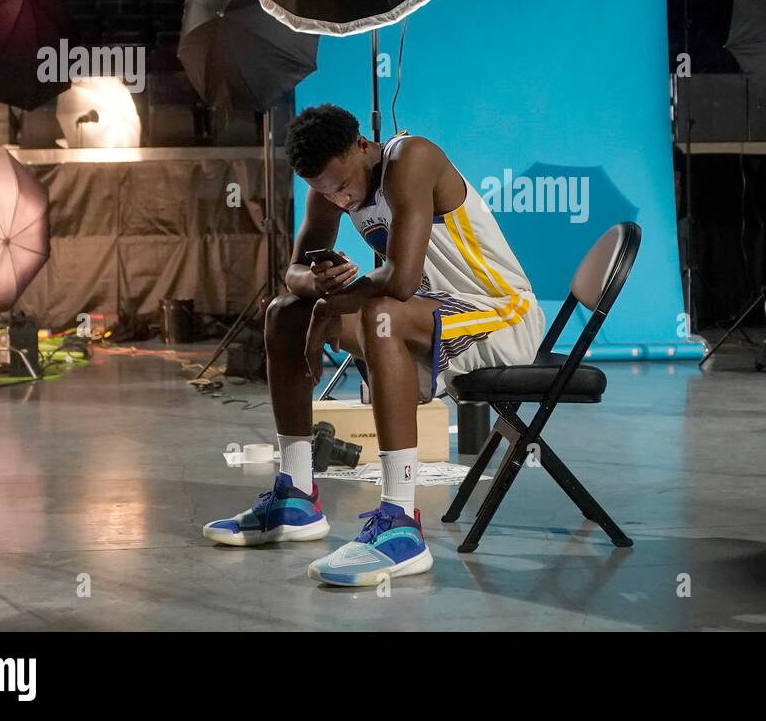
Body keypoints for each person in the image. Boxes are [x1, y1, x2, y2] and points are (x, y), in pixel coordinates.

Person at [203, 104, 545, 586]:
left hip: (501, 313)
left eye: (344, 186)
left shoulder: (413, 158)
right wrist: (315, 281)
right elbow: (293, 273)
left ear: (362, 146)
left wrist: (332, 301)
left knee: (379, 314)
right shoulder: (329, 188)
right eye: (327, 192)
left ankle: (401, 522)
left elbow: (401, 281)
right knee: (285, 315)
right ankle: (297, 496)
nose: (340, 199)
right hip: (424, 316)